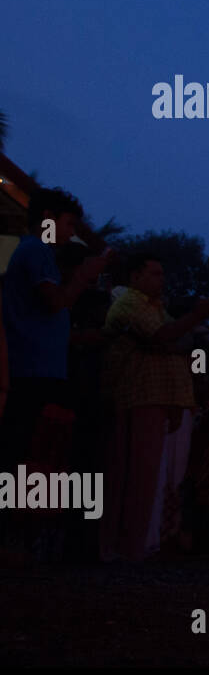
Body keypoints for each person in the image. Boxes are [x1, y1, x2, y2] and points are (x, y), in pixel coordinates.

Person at [99, 253, 209, 561]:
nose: (161, 280)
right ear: (135, 277)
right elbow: (163, 336)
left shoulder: (154, 306)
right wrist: (197, 315)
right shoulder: (131, 303)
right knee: (134, 477)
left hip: (155, 398)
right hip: (139, 396)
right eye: (155, 273)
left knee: (146, 478)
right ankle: (123, 548)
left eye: (162, 274)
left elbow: (171, 342)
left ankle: (132, 546)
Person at [0, 188, 110, 473]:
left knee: (17, 449)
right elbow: (55, 302)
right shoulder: (36, 250)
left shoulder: (36, 251)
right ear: (48, 218)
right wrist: (84, 275)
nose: (71, 232)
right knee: (13, 449)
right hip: (31, 369)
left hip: (35, 368)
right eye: (70, 223)